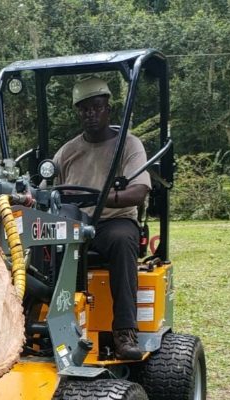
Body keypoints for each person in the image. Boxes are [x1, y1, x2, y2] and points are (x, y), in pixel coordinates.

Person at [51, 76, 151, 360]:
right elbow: (48, 192)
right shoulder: (67, 152)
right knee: (44, 245)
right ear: (77, 112)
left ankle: (124, 331)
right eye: (84, 109)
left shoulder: (128, 145)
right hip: (76, 223)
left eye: (96, 107)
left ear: (108, 107)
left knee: (122, 240)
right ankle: (48, 325)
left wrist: (100, 197)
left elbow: (139, 191)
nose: (90, 114)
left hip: (114, 221)